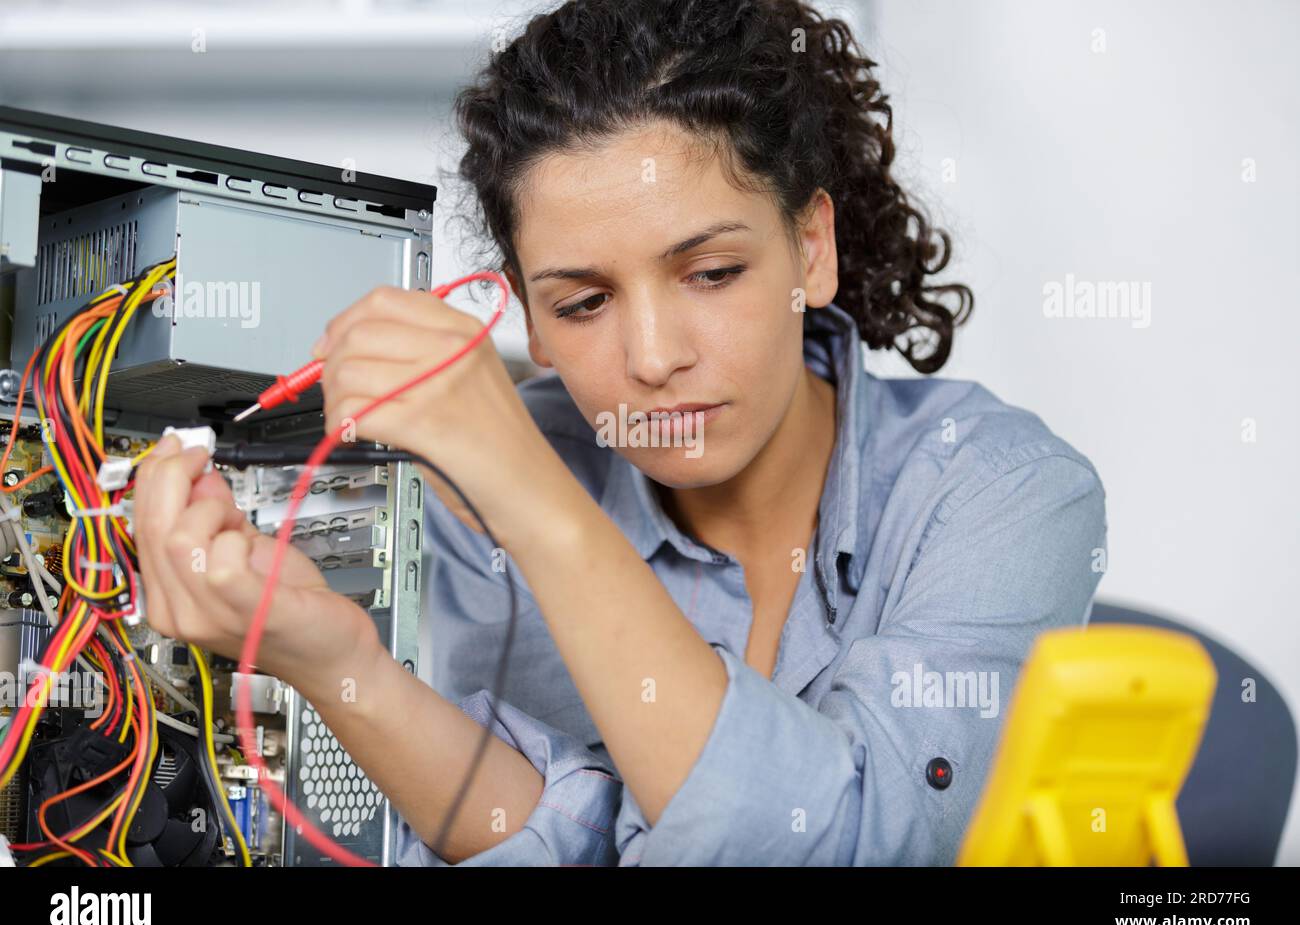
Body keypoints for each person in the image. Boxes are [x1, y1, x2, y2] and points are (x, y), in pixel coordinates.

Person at [133, 0, 1107, 866]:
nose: (651, 356)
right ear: (527, 317)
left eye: (712, 272)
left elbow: (842, 840)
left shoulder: (1002, 490)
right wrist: (332, 659)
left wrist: (540, 506)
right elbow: (565, 835)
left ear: (811, 247)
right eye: (585, 300)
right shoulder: (469, 497)